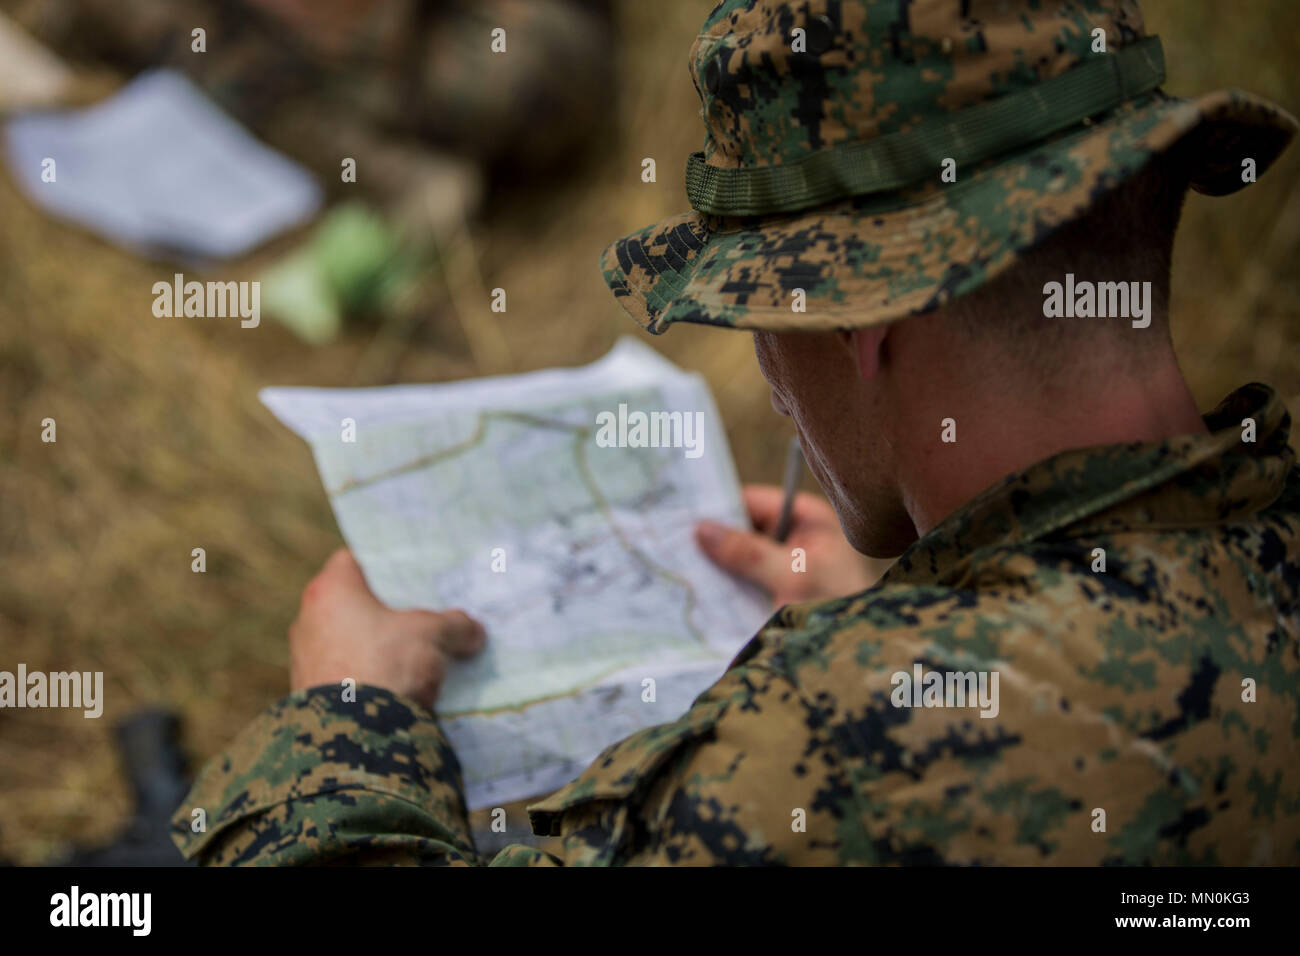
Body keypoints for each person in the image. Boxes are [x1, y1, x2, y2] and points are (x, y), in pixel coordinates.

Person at [171, 0, 1300, 865]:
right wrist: (914, 623)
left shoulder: (828, 746)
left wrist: (341, 720)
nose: (770, 378)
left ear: (862, 315)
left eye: (761, 311)